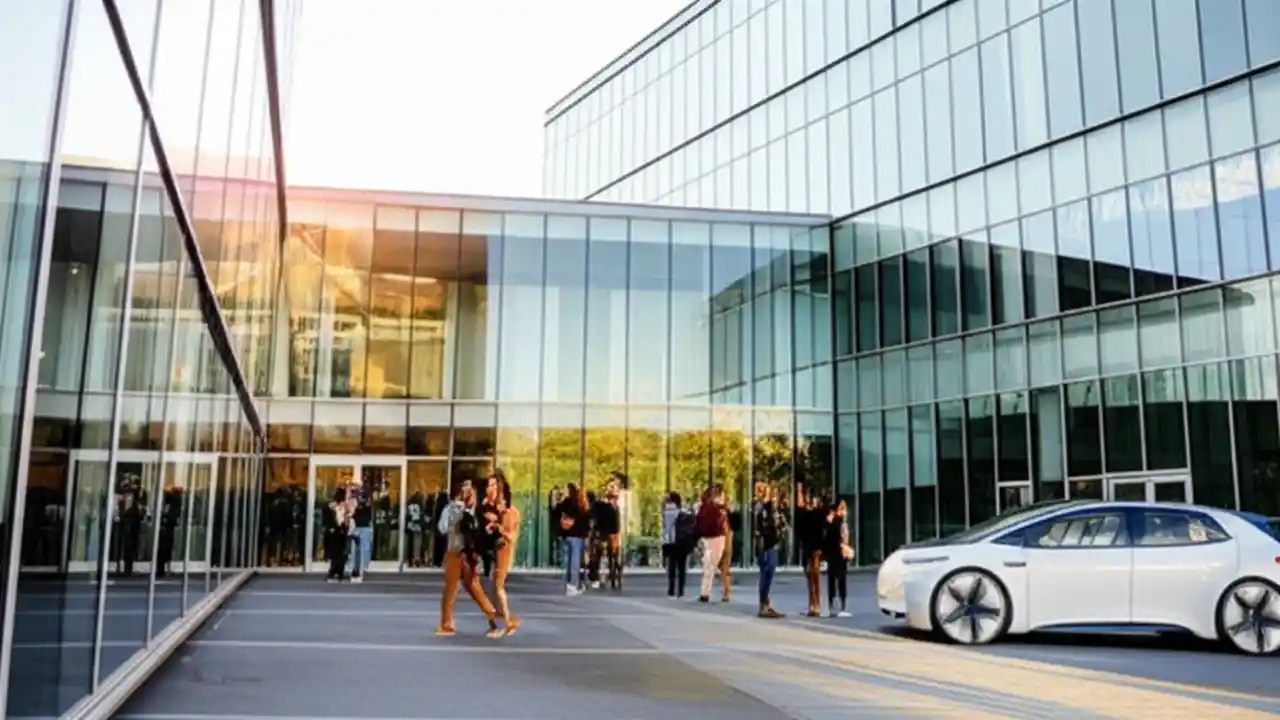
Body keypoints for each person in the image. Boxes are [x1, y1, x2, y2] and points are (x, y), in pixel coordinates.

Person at [436, 480, 501, 638]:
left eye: (470, 491)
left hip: (467, 554)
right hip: (458, 552)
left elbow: (481, 532)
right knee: (455, 589)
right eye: (465, 491)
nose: (468, 495)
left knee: (469, 588)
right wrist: (458, 512)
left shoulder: (477, 511)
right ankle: (447, 624)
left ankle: (492, 617)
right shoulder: (454, 508)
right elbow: (443, 528)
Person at [488, 471, 521, 636]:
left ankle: (508, 620)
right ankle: (499, 620)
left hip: (504, 550)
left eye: (494, 485)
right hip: (497, 549)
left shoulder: (510, 512)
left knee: (498, 586)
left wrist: (497, 526)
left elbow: (511, 536)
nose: (491, 489)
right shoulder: (496, 510)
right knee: (494, 587)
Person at [752, 482, 786, 619]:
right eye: (765, 490)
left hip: (770, 542)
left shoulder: (770, 506)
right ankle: (764, 604)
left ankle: (765, 603)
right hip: (766, 544)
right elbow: (761, 526)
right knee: (767, 571)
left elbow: (777, 522)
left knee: (768, 572)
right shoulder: (760, 507)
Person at [556, 482, 590, 596]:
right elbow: (586, 522)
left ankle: (569, 585)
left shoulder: (567, 502)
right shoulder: (583, 505)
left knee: (569, 561)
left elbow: (557, 511)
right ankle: (573, 585)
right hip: (578, 536)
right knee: (575, 562)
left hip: (568, 534)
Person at [695, 486, 727, 603]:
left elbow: (698, 523)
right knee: (711, 565)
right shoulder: (718, 509)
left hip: (706, 538)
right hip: (716, 537)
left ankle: (705, 591)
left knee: (708, 565)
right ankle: (706, 591)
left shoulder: (703, 508)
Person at [824, 499, 854, 618]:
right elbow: (842, 539)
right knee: (840, 580)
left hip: (834, 554)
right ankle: (841, 605)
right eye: (842, 509)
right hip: (838, 554)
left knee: (833, 580)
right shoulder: (839, 523)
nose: (844, 511)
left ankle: (834, 604)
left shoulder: (835, 522)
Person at [798, 491, 826, 617]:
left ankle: (815, 604)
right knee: (812, 576)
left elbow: (819, 531)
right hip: (811, 548)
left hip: (813, 548)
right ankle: (813, 604)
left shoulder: (814, 514)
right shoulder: (808, 514)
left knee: (813, 576)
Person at [588, 487, 621, 591]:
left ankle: (595, 576)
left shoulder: (594, 507)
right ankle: (613, 572)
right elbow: (616, 523)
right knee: (613, 555)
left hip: (601, 534)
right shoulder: (610, 507)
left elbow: (592, 522)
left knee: (596, 555)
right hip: (612, 534)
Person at [661, 492, 692, 598]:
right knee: (682, 567)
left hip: (671, 541)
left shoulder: (667, 511)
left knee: (672, 566)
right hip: (682, 541)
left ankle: (671, 589)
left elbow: (666, 528)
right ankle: (681, 590)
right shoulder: (683, 512)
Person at [349, 478, 373, 583]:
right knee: (356, 551)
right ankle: (355, 570)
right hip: (357, 527)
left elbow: (368, 501)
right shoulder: (354, 502)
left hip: (364, 527)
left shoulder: (366, 501)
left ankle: (360, 571)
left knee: (363, 550)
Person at [324, 486, 351, 583]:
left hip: (340, 530)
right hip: (336, 530)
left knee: (339, 553)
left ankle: (338, 573)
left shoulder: (341, 506)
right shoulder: (333, 506)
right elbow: (329, 517)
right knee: (337, 553)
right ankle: (335, 572)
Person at [719, 490, 736, 602]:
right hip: (720, 537)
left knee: (725, 565)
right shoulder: (716, 510)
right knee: (722, 565)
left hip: (726, 537)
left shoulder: (726, 511)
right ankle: (726, 589)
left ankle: (727, 591)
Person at [406, 492, 425, 567]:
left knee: (410, 544)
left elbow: (408, 516)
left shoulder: (409, 505)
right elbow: (421, 516)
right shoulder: (420, 506)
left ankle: (410, 560)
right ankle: (417, 559)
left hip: (410, 525)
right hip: (418, 526)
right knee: (417, 543)